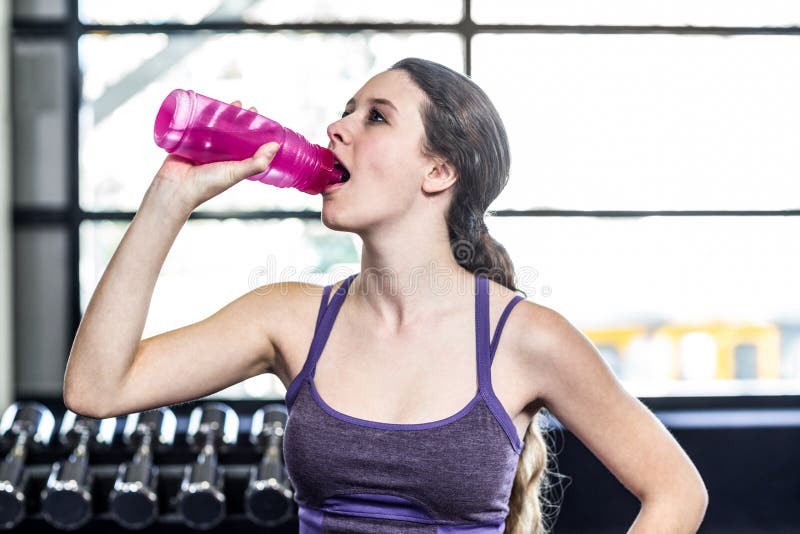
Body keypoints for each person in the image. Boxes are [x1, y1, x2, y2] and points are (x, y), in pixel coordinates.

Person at [64, 57, 708, 533]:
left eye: (374, 117)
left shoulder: (525, 338)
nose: (336, 127)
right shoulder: (288, 318)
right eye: (347, 110)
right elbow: (96, 389)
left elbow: (677, 491)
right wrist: (171, 197)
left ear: (439, 171)